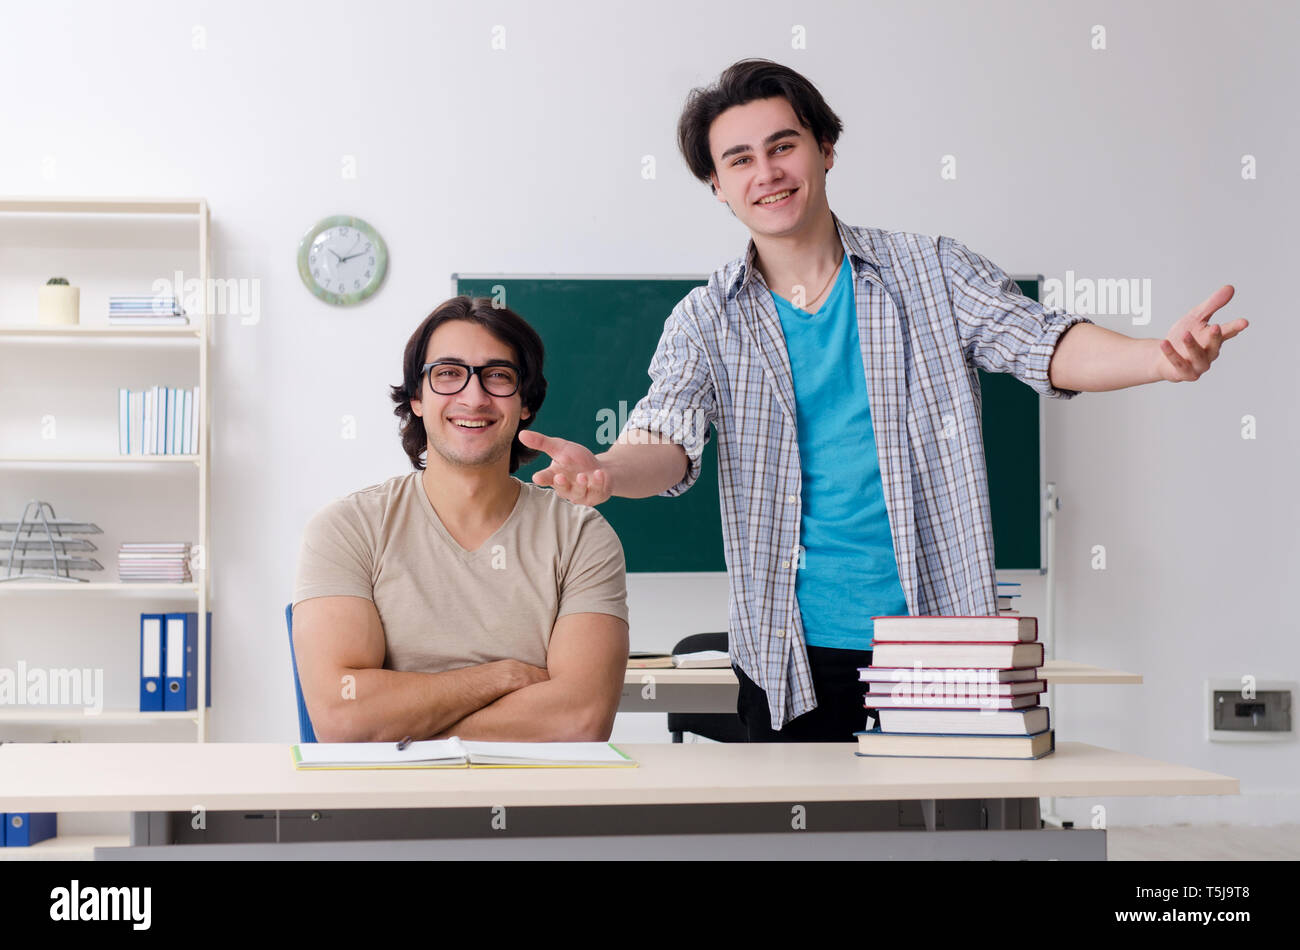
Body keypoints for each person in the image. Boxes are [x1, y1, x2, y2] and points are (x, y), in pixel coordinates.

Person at [517, 58, 1248, 742]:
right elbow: (666, 440)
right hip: (790, 655)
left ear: (826, 148)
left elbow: (1043, 343)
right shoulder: (707, 319)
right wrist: (608, 472)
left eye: (784, 146)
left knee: (955, 842)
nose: (767, 173)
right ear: (717, 184)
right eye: (739, 160)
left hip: (943, 638)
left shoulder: (932, 271)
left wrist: (1157, 357)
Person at [292, 296, 629, 742]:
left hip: (537, 801)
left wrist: (401, 723)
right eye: (448, 374)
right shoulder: (346, 529)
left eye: (498, 376)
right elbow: (343, 718)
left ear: (525, 403)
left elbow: (579, 721)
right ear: (416, 397)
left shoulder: (582, 536)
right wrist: (502, 677)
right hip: (386, 803)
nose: (474, 397)